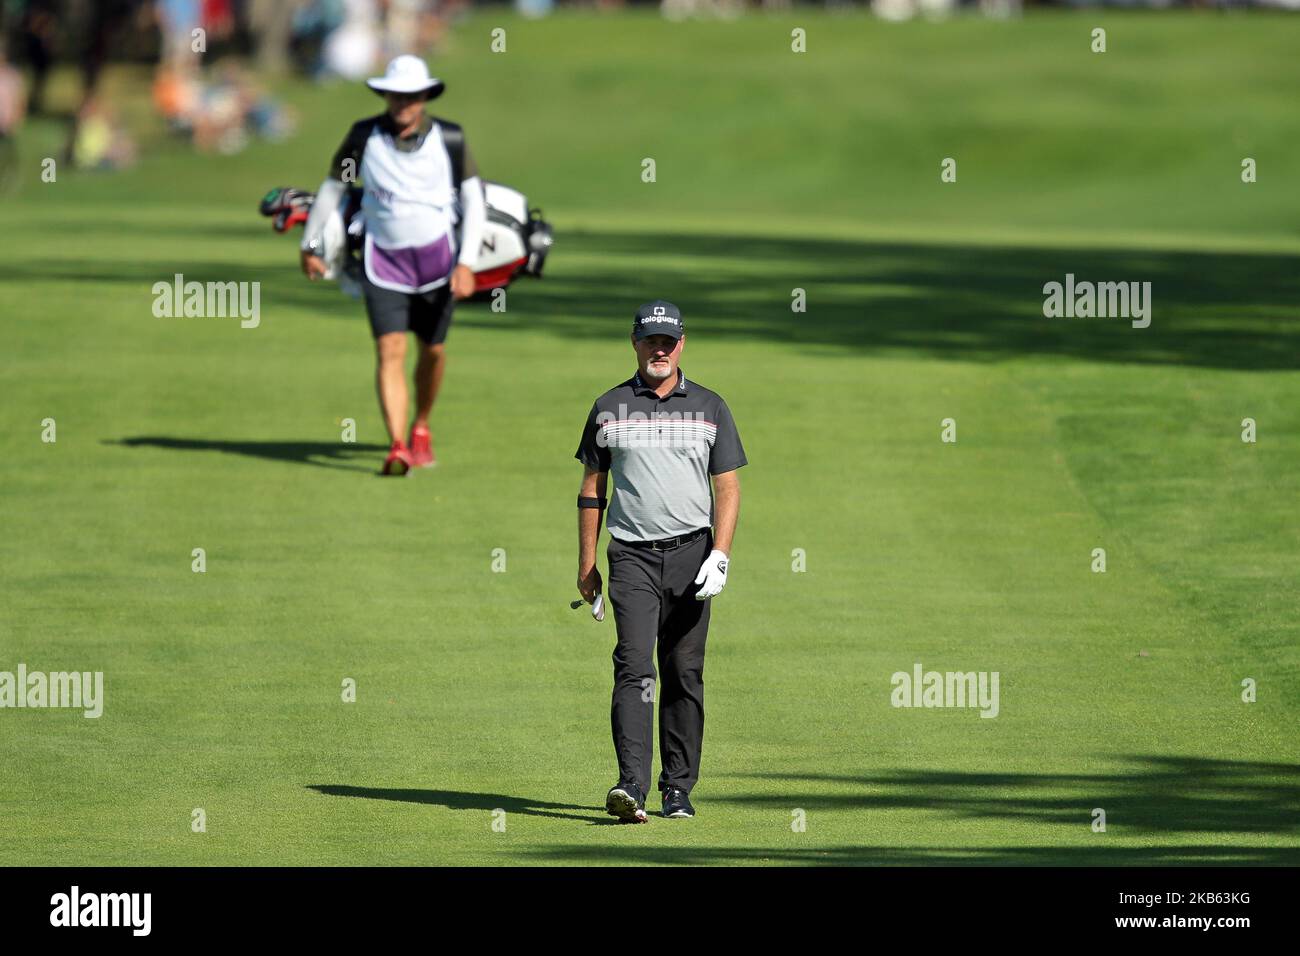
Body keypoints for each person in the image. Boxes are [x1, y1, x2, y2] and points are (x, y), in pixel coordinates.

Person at [574, 301, 746, 822]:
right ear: (635, 343)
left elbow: (729, 488)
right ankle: (631, 786)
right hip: (631, 556)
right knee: (633, 665)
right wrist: (587, 567)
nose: (660, 350)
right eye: (651, 340)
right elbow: (591, 490)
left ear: (682, 344)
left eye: (668, 341)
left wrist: (720, 554)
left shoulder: (711, 407)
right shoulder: (609, 406)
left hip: (693, 553)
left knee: (683, 671)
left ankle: (678, 789)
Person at [300, 54, 485, 475]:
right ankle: (398, 445)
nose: (403, 103)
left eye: (412, 95)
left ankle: (421, 424)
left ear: (424, 96)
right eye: (396, 95)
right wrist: (310, 243)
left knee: (433, 351)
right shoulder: (363, 136)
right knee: (390, 349)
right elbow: (333, 187)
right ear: (385, 94)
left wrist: (467, 262)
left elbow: (474, 200)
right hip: (382, 262)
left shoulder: (450, 138)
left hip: (438, 263)